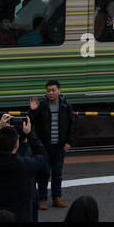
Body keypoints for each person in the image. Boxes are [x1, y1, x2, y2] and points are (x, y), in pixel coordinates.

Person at [0, 114, 48, 222]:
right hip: (20, 216)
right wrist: (29, 133)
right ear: (16, 145)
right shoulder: (25, 164)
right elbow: (42, 155)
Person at [29, 79, 74, 210]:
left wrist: (70, 142)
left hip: (59, 146)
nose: (51, 93)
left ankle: (56, 198)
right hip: (44, 147)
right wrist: (32, 110)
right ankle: (42, 199)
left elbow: (72, 125)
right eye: (48, 90)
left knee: (57, 173)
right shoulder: (41, 106)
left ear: (59, 91)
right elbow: (30, 122)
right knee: (43, 173)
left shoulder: (66, 105)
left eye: (53, 90)